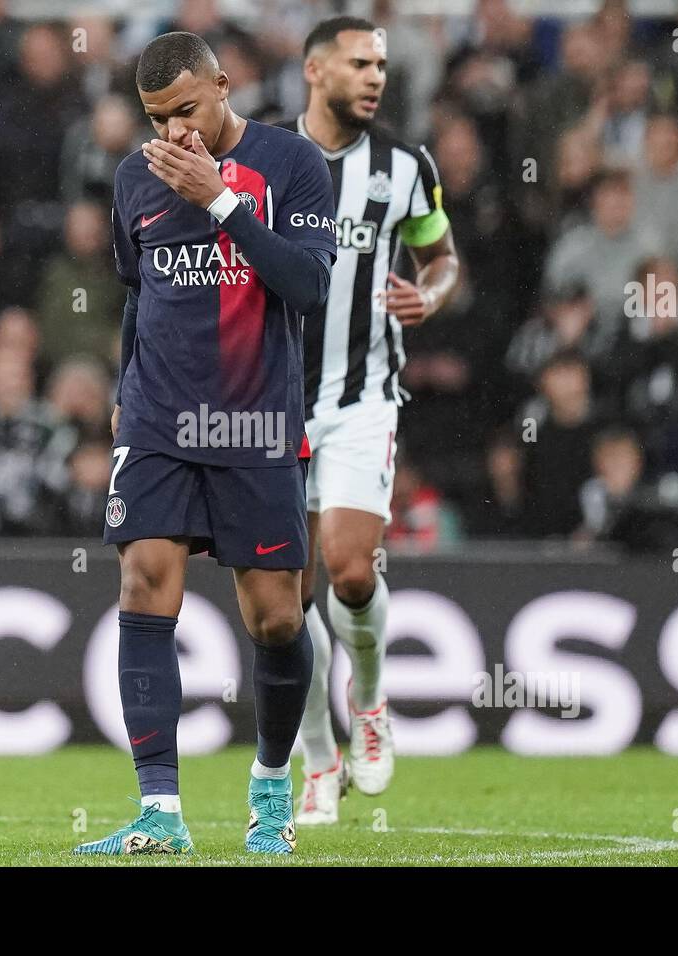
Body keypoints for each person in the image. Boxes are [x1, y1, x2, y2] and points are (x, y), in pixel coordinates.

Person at [73, 31, 336, 856]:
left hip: (255, 421)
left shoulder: (293, 164)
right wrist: (124, 394)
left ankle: (268, 788)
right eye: (157, 119)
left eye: (187, 110)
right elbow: (137, 293)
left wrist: (222, 201)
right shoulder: (133, 179)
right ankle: (160, 812)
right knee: (145, 581)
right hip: (158, 419)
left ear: (224, 86)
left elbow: (309, 284)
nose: (174, 133)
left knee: (275, 617)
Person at [280, 17, 459, 826]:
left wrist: (434, 293)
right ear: (315, 69)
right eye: (359, 63)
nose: (375, 76)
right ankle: (319, 760)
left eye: (381, 64)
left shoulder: (405, 168)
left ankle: (374, 701)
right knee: (285, 604)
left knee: (350, 572)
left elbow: (442, 255)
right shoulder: (263, 163)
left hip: (360, 397)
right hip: (268, 404)